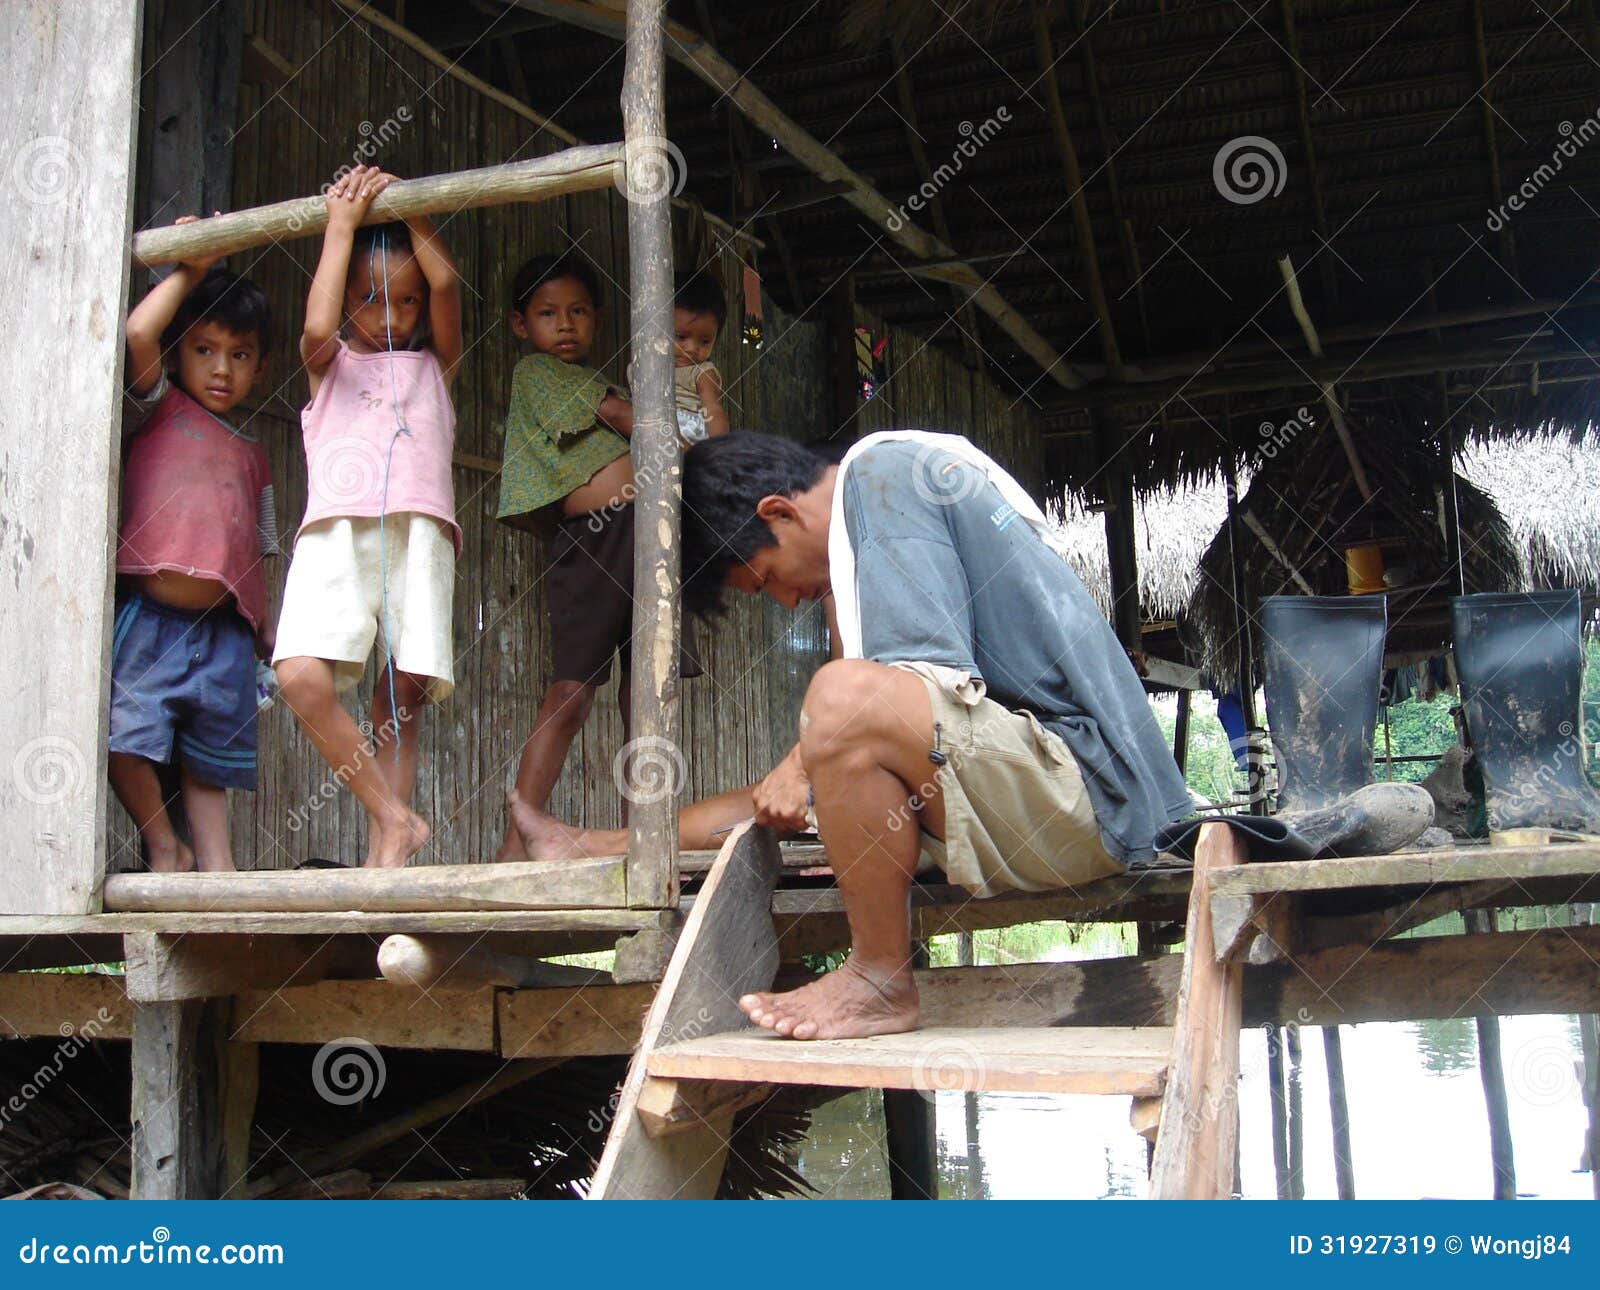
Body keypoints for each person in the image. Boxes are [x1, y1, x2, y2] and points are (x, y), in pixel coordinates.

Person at [510, 430, 1191, 1041]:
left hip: (1095, 792)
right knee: (816, 755)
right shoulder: (878, 516)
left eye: (767, 579)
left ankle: (878, 980)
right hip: (1058, 794)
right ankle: (588, 846)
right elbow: (826, 759)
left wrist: (804, 763)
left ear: (778, 512)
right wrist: (800, 774)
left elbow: (918, 673)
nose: (785, 600)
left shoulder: (885, 473)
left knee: (837, 702)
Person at [273, 165, 463, 869]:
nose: (391, 316)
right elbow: (317, 323)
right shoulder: (328, 364)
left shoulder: (436, 364)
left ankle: (390, 861)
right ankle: (392, 816)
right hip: (335, 532)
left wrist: (411, 210)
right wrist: (342, 225)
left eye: (405, 301)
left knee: (398, 697)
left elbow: (445, 284)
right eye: (370, 298)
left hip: (418, 531)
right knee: (299, 676)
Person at [492, 252, 710, 862]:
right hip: (595, 540)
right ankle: (514, 845)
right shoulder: (540, 375)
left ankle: (638, 839)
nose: (565, 325)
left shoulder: (605, 383)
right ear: (519, 325)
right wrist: (676, 422)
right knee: (571, 692)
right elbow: (652, 429)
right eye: (548, 313)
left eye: (579, 312)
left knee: (647, 688)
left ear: (598, 318)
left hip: (650, 536)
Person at [113, 227, 279, 872]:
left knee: (210, 761)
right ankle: (164, 846)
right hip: (150, 620)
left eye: (239, 355)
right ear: (180, 352)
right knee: (123, 738)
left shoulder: (253, 456)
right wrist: (190, 268)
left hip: (225, 635)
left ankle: (219, 873)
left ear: (259, 367)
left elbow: (260, 549)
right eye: (205, 349)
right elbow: (136, 335)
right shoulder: (159, 408)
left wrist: (264, 628)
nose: (220, 368)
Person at [629, 270, 729, 445]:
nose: (691, 349)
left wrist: (720, 449)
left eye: (705, 341)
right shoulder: (643, 365)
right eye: (681, 337)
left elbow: (713, 409)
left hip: (689, 432)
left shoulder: (702, 373)